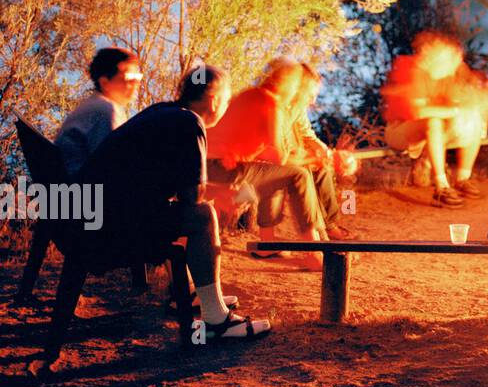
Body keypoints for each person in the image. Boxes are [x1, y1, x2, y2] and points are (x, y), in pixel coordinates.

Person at [83, 65, 269, 340]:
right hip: (109, 229)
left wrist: (219, 190)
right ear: (214, 100)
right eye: (227, 100)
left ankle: (195, 294)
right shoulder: (189, 123)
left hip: (93, 218)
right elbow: (192, 198)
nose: (226, 106)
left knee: (187, 212)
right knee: (202, 216)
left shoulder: (163, 113)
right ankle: (216, 320)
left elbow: (172, 189)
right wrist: (227, 194)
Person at [205, 60, 327, 269]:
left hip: (207, 165)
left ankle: (267, 243)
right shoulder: (272, 103)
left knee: (275, 173)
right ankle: (313, 251)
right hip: (222, 170)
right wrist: (313, 160)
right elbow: (280, 157)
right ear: (291, 84)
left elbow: (268, 156)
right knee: (298, 174)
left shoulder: (248, 95)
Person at [382, 31, 488, 208]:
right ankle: (441, 187)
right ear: (434, 54)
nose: (456, 62)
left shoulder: (448, 73)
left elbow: (468, 98)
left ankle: (462, 179)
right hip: (400, 132)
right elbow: (419, 111)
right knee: (434, 121)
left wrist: (472, 103)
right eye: (451, 57)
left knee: (473, 117)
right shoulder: (415, 71)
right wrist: (457, 110)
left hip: (433, 134)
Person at [288, 62, 359, 240]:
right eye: (310, 95)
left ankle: (329, 225)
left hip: (292, 154)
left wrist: (325, 151)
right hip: (280, 156)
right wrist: (308, 156)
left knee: (322, 168)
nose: (313, 101)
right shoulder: (281, 108)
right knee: (310, 171)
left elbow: (306, 133)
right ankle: (319, 231)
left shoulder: (298, 108)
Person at [54, 47, 142, 176]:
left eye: (138, 77)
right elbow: (116, 167)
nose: (136, 84)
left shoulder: (96, 105)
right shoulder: (105, 110)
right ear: (104, 82)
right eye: (129, 77)